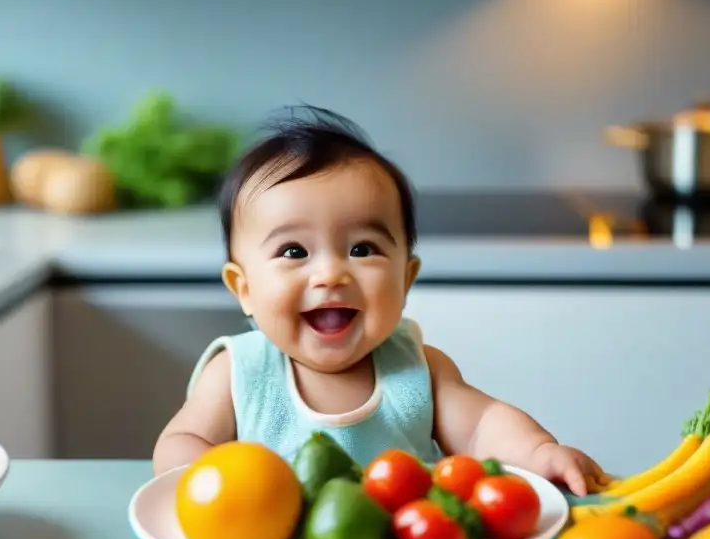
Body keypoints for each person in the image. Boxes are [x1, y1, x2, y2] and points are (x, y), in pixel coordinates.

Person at [152, 106, 609, 497]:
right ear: (244, 289)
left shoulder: (418, 369)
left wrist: (537, 452)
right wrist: (223, 484)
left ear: (405, 279)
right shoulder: (238, 373)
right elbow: (180, 442)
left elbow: (483, 426)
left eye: (362, 249)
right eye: (293, 251)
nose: (330, 274)